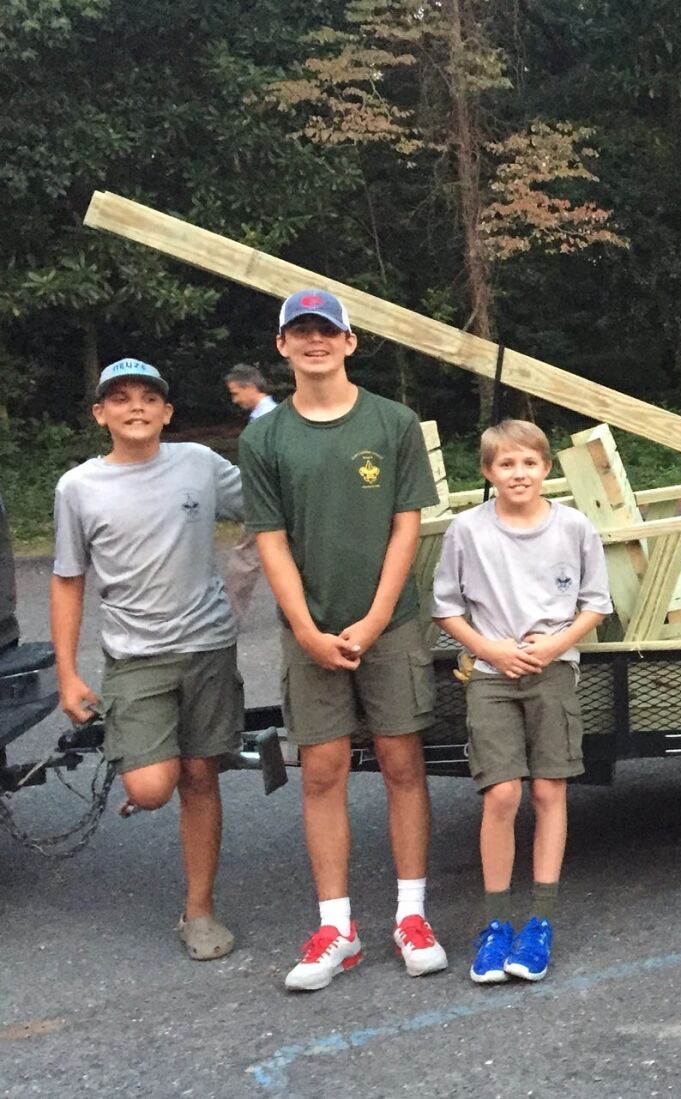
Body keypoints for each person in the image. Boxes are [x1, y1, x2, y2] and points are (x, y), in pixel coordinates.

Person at [240, 289, 448, 990]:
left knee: (400, 763)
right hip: (311, 630)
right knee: (323, 770)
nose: (314, 341)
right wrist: (306, 628)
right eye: (300, 332)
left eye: (325, 330)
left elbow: (405, 526)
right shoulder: (264, 437)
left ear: (350, 341)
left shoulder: (391, 422)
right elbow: (269, 540)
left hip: (388, 624)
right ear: (283, 347)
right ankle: (338, 927)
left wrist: (374, 615)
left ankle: (412, 916)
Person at [50, 359, 245, 960]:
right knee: (154, 786)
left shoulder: (200, 465)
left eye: (148, 397)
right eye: (120, 398)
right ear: (100, 414)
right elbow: (66, 579)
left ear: (167, 412)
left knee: (199, 777)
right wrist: (67, 673)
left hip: (210, 646)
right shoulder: (78, 487)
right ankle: (138, 754)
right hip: (136, 658)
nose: (135, 407)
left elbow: (273, 504)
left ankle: (200, 910)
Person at [434, 420, 609, 982]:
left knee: (549, 788)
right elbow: (445, 608)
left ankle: (540, 921)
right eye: (505, 465)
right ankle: (495, 923)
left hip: (552, 670)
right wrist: (492, 650)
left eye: (528, 463)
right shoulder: (467, 530)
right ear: (488, 473)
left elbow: (594, 603)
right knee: (502, 793)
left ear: (546, 468)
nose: (518, 474)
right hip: (490, 674)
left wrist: (554, 645)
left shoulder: (575, 526)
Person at [223, 364, 277, 620]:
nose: (235, 400)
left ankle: (227, 618)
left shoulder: (266, 420)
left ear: (250, 387)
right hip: (273, 498)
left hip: (267, 500)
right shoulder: (270, 416)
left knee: (245, 559)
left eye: (236, 393)